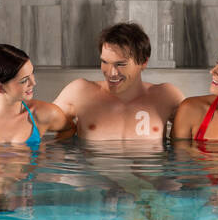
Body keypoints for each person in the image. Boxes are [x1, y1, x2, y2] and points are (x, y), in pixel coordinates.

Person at [52, 22, 183, 141]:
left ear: (143, 62)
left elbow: (196, 132)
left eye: (121, 64)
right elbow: (38, 122)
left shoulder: (165, 96)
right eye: (104, 62)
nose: (111, 73)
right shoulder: (80, 92)